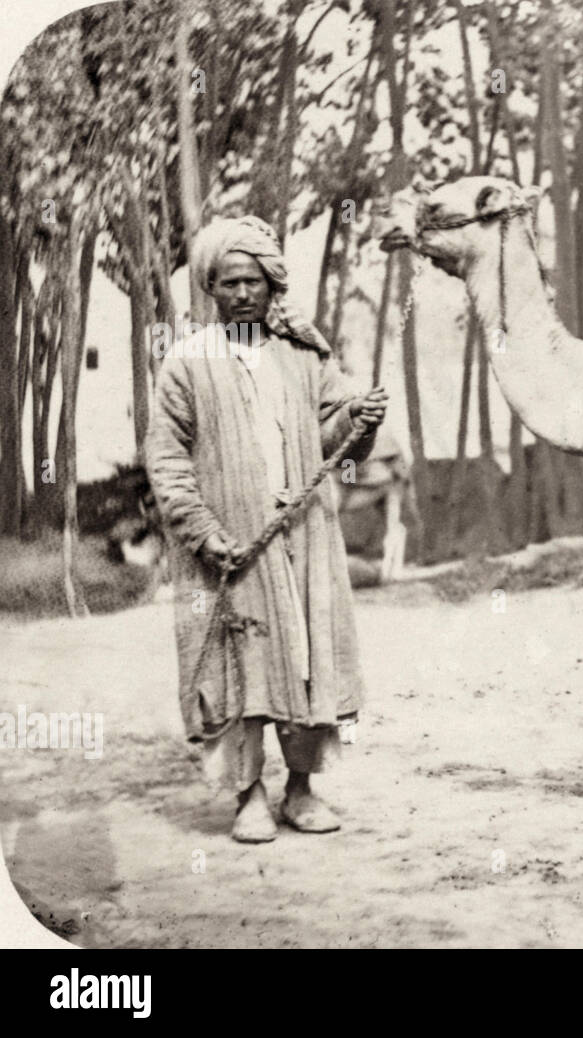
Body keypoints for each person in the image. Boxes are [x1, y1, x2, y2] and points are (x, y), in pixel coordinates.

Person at [145, 215, 388, 843]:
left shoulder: (304, 355)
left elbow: (336, 438)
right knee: (239, 668)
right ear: (211, 289)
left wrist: (360, 417)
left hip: (304, 540)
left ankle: (301, 791)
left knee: (308, 663)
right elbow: (168, 463)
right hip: (227, 548)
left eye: (254, 280)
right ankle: (248, 797)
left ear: (272, 283)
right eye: (230, 282)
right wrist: (202, 531)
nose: (244, 293)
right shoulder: (186, 365)